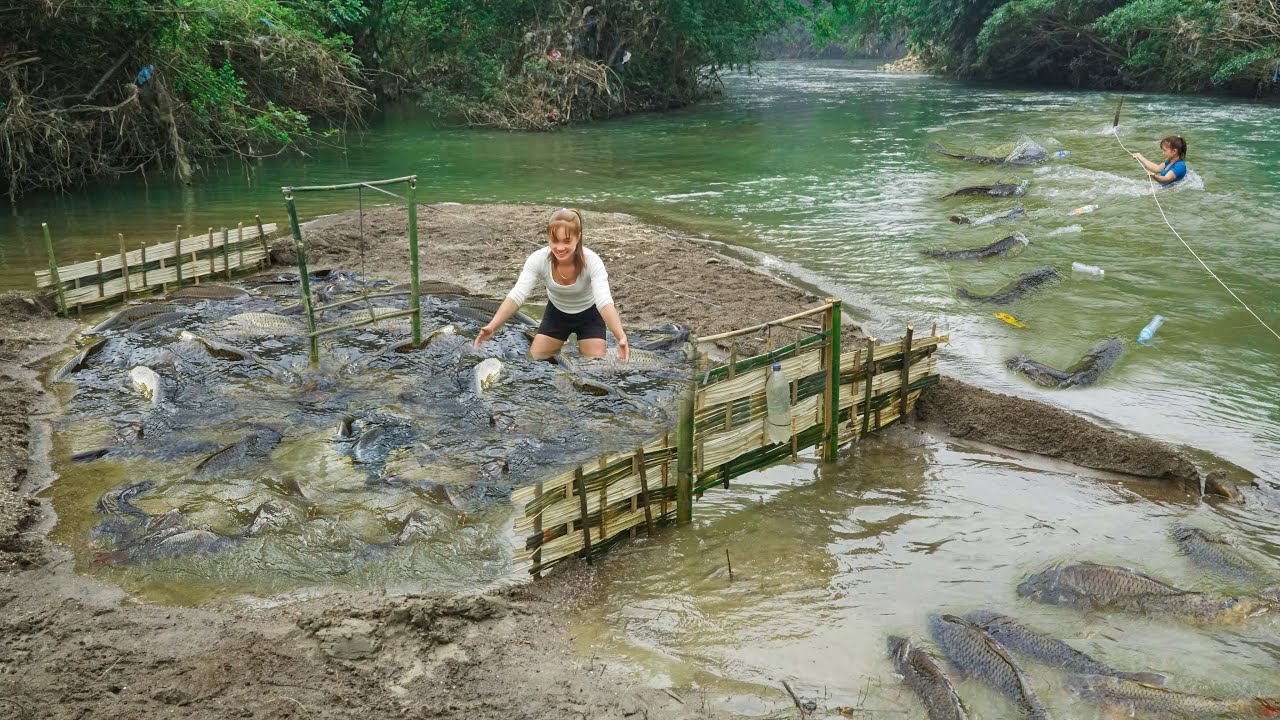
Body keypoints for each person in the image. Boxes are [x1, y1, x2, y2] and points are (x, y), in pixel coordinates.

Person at [475, 208, 629, 361]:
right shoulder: (538, 259)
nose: (560, 248)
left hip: (590, 316)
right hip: (556, 315)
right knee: (534, 360)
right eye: (555, 241)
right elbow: (517, 295)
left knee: (595, 367)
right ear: (548, 237)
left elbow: (604, 301)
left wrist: (620, 337)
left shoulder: (593, 262)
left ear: (578, 237)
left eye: (567, 241)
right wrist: (492, 326)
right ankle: (561, 343)